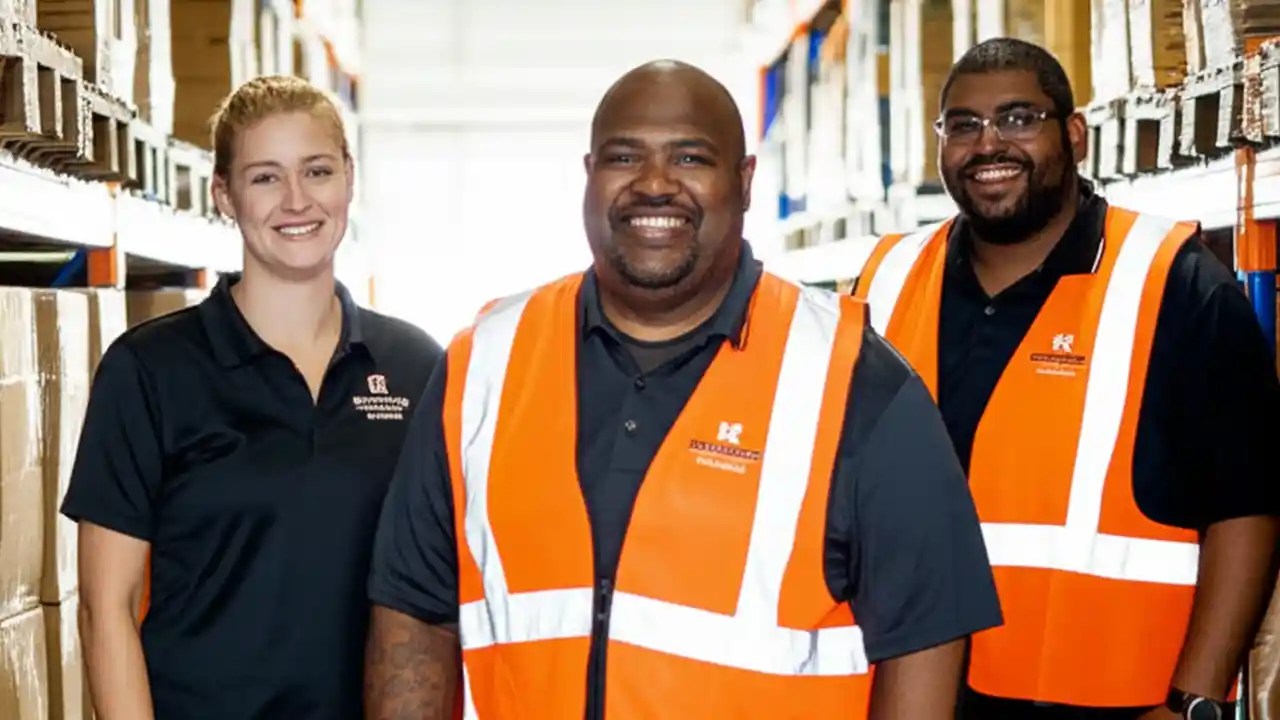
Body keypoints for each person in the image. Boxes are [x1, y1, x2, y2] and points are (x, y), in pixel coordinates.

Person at [362, 59, 1003, 720]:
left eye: (690, 158)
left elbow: (926, 643)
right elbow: (415, 612)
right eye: (624, 157)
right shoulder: (483, 366)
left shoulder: (858, 386)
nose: (655, 185)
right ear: (589, 176)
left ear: (745, 181)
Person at [852, 38, 1280, 720]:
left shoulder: (1172, 281)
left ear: (1073, 134)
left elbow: (1247, 503)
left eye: (1019, 118)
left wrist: (1191, 699)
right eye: (963, 125)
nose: (989, 144)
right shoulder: (888, 278)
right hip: (910, 689)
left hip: (1106, 698)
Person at [62, 75, 443, 719]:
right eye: (266, 177)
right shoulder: (149, 371)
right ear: (224, 195)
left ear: (349, 178)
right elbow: (109, 611)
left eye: (317, 171)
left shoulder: (417, 367)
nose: (297, 200)